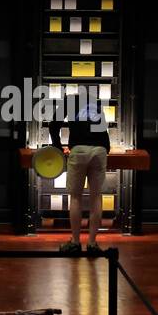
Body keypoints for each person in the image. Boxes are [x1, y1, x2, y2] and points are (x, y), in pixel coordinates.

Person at [50, 100, 112, 256]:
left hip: (79, 150)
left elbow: (53, 125)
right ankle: (92, 244)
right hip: (100, 149)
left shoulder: (70, 101)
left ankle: (75, 242)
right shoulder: (96, 104)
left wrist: (58, 146)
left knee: (76, 198)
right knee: (96, 197)